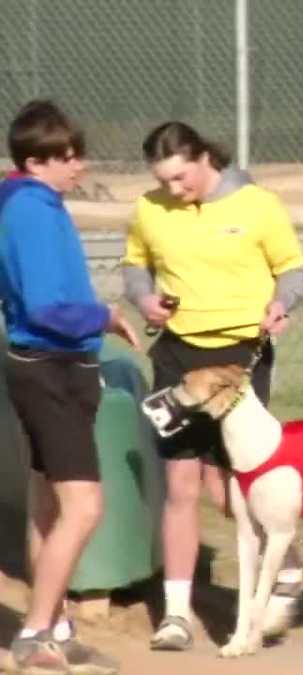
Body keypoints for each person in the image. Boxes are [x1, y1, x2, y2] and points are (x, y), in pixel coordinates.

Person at [121, 121, 303, 650]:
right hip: (179, 354)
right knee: (180, 482)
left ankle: (285, 567)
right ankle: (176, 615)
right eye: (164, 180)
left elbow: (293, 270)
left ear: (204, 158)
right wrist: (144, 299)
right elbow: (136, 265)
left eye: (180, 178)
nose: (173, 190)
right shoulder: (149, 208)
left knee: (230, 487)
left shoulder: (259, 205)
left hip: (239, 357)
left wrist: (282, 305)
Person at [0, 99, 138, 674]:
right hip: (50, 366)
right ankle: (34, 636)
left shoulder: (35, 202)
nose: (79, 164)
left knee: (50, 505)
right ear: (36, 162)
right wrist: (102, 317)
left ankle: (53, 626)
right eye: (67, 156)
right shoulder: (30, 209)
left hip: (53, 363)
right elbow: (48, 304)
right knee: (84, 507)